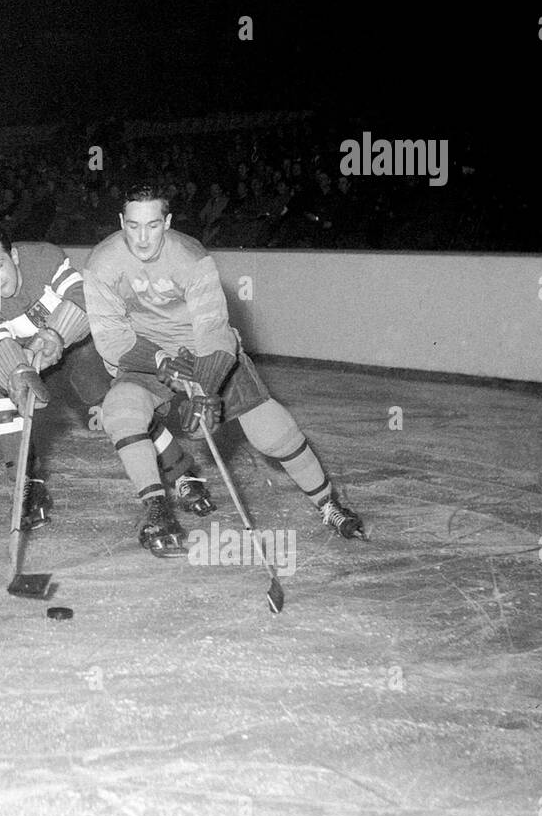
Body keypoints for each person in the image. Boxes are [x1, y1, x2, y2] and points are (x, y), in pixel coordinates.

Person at [82, 181, 364, 557]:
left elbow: (214, 330)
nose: (143, 238)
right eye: (133, 226)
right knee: (121, 409)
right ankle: (156, 507)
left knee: (271, 434)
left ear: (167, 222)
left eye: (152, 225)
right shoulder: (102, 263)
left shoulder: (192, 258)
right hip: (146, 355)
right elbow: (111, 338)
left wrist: (206, 386)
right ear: (121, 221)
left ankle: (328, 503)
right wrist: (160, 361)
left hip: (203, 352)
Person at [0, 226, 109, 531]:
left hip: (81, 348)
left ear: (14, 255)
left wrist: (57, 333)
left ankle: (179, 471)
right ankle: (27, 485)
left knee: (112, 400)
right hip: (36, 362)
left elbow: (83, 295)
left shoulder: (44, 257)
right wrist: (20, 373)